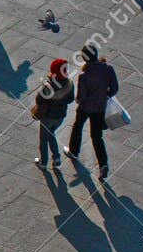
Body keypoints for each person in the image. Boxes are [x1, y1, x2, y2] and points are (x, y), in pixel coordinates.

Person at [65, 42, 117, 180]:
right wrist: (104, 96)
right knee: (96, 136)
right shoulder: (108, 69)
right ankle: (103, 164)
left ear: (84, 58)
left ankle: (74, 151)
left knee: (78, 126)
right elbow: (114, 89)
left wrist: (77, 100)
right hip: (100, 108)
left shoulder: (84, 75)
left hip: (86, 107)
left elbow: (81, 97)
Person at [32, 59, 73, 169]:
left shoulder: (48, 86)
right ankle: (56, 158)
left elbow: (39, 99)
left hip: (47, 117)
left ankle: (43, 162)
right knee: (51, 134)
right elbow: (70, 99)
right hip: (60, 116)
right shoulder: (69, 84)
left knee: (43, 140)